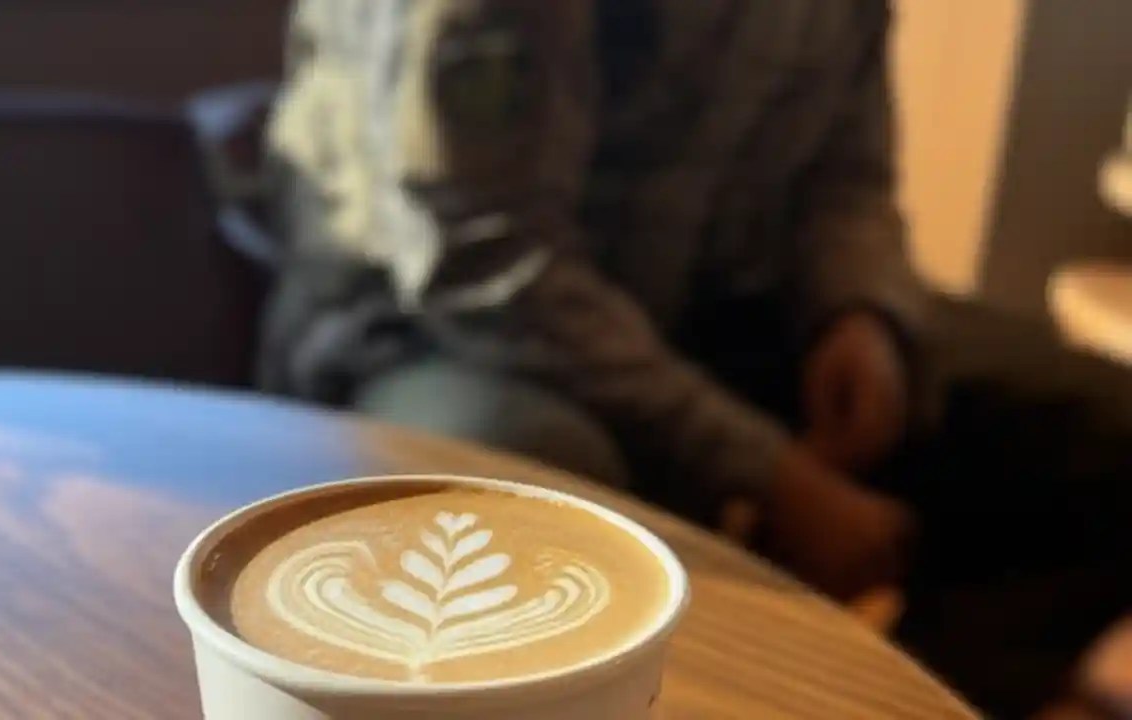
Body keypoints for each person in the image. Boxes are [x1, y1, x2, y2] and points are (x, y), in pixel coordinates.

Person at [254, 1, 1132, 716]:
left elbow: (847, 174)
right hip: (426, 324)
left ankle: (888, 697)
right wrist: (768, 468)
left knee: (1105, 429)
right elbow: (485, 263)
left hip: (705, 303)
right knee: (547, 497)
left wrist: (860, 313)